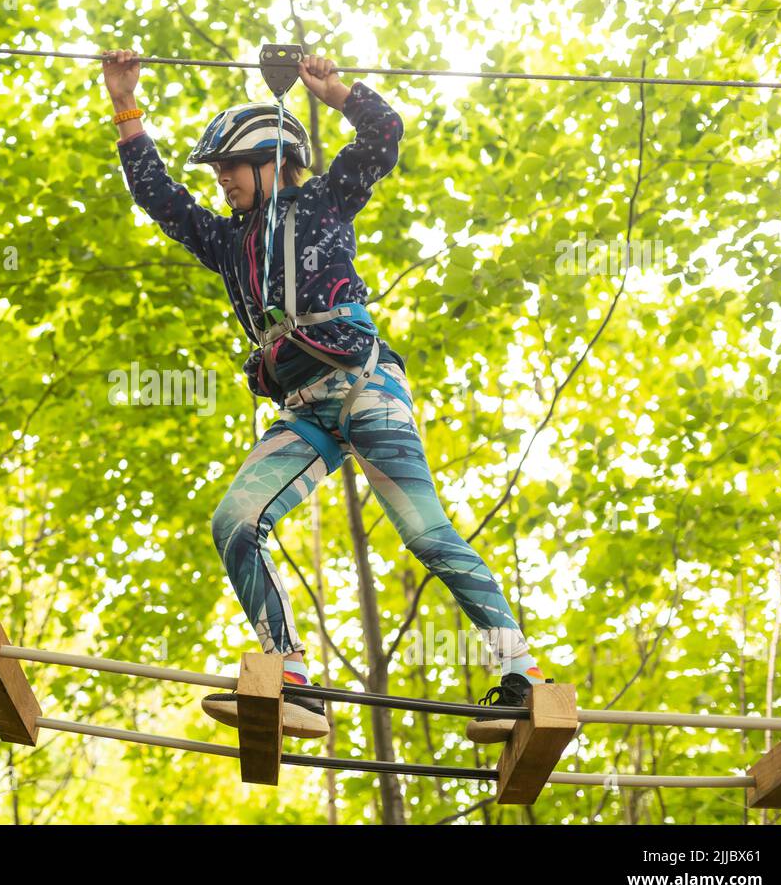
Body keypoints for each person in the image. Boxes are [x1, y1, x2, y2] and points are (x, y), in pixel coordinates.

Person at [101, 48, 548, 742]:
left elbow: (383, 135)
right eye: (217, 170)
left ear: (275, 160)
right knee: (235, 523)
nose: (221, 179)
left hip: (365, 384)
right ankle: (291, 679)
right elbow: (158, 196)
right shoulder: (225, 241)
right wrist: (125, 105)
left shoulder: (322, 200)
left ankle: (522, 674)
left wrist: (335, 91)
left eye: (232, 165)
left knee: (424, 533)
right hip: (304, 408)